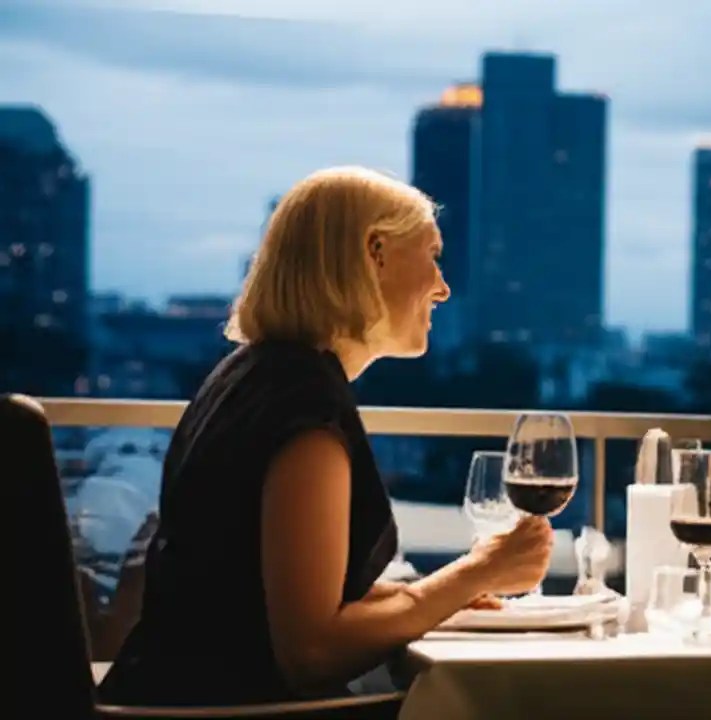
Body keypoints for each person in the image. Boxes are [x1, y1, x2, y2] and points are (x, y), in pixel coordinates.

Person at [99, 167, 554, 706]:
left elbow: (253, 598)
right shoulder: (305, 411)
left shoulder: (250, 377)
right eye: (432, 255)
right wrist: (479, 571)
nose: (442, 286)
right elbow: (310, 653)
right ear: (375, 253)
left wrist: (444, 594)